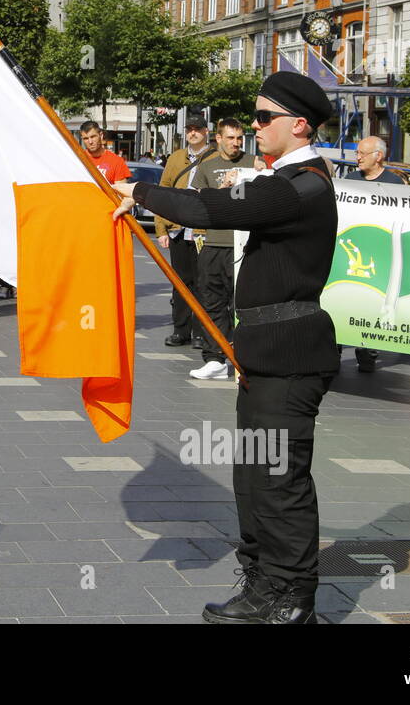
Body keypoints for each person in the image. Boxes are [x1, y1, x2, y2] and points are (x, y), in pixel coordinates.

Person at [115, 72, 338, 624]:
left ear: (299, 124)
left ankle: (292, 596)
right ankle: (263, 581)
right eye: (256, 117)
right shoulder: (285, 178)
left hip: (290, 350)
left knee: (279, 479)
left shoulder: (302, 183)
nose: (256, 126)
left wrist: (139, 191)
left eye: (266, 118)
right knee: (255, 476)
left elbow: (216, 208)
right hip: (265, 349)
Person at [187, 118, 248, 380]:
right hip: (213, 244)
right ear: (218, 139)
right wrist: (222, 190)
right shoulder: (207, 168)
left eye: (239, 138)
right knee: (211, 303)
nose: (236, 143)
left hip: (244, 245)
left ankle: (242, 357)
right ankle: (214, 358)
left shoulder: (254, 163)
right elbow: (197, 205)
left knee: (242, 305)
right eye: (231, 138)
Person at [346, 136, 408, 373]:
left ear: (378, 156)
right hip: (351, 248)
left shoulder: (394, 184)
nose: (358, 157)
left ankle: (368, 352)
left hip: (379, 253)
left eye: (362, 153)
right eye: (357, 153)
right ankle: (337, 348)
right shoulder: (350, 180)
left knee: (372, 302)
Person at [155, 116, 211, 347]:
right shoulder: (177, 158)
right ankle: (181, 330)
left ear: (206, 132)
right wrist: (161, 229)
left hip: (203, 231)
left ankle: (200, 332)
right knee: (180, 282)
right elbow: (162, 191)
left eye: (197, 129)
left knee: (203, 283)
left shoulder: (216, 158)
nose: (193, 133)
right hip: (178, 229)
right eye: (189, 129)